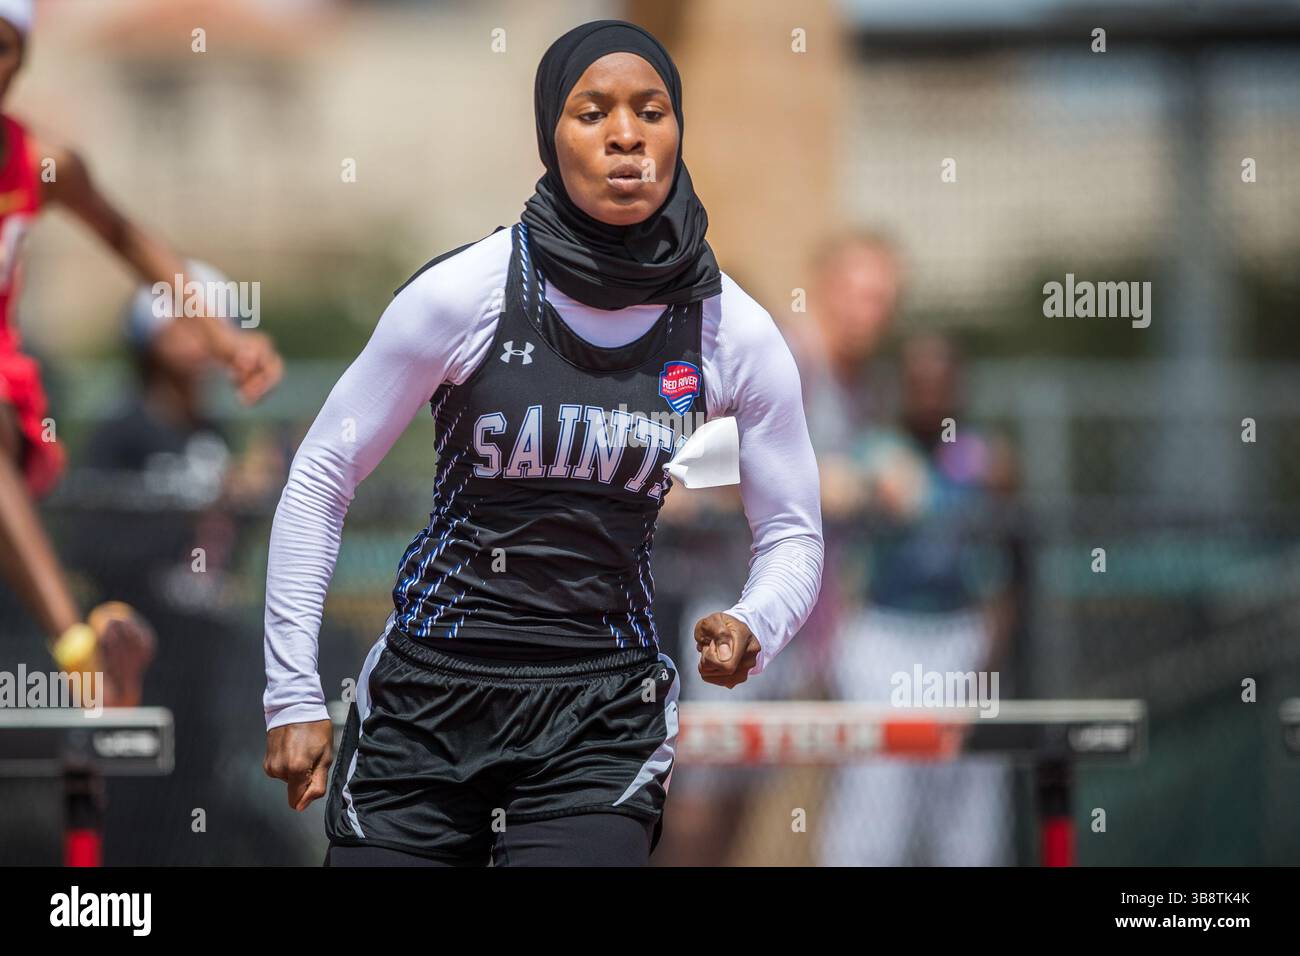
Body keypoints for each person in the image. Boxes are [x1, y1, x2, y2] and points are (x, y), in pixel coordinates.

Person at [261, 19, 823, 867]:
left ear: (678, 132)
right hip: (427, 702)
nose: (626, 134)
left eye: (652, 111)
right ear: (548, 137)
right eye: (592, 112)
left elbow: (791, 533)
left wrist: (755, 620)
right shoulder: (466, 294)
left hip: (600, 710)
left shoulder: (730, 330)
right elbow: (323, 474)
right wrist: (291, 691)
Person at [0, 1, 282, 705]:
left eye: (3, 46)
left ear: (23, 61)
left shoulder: (38, 163)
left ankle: (79, 649)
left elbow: (130, 237)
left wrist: (223, 336)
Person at [817, 333, 1021, 866]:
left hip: (959, 636)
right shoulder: (874, 451)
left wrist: (988, 658)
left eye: (941, 382)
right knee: (876, 799)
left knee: (966, 820)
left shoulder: (983, 459)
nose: (930, 394)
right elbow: (827, 488)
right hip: (882, 636)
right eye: (918, 383)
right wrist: (866, 482)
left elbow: (1005, 572)